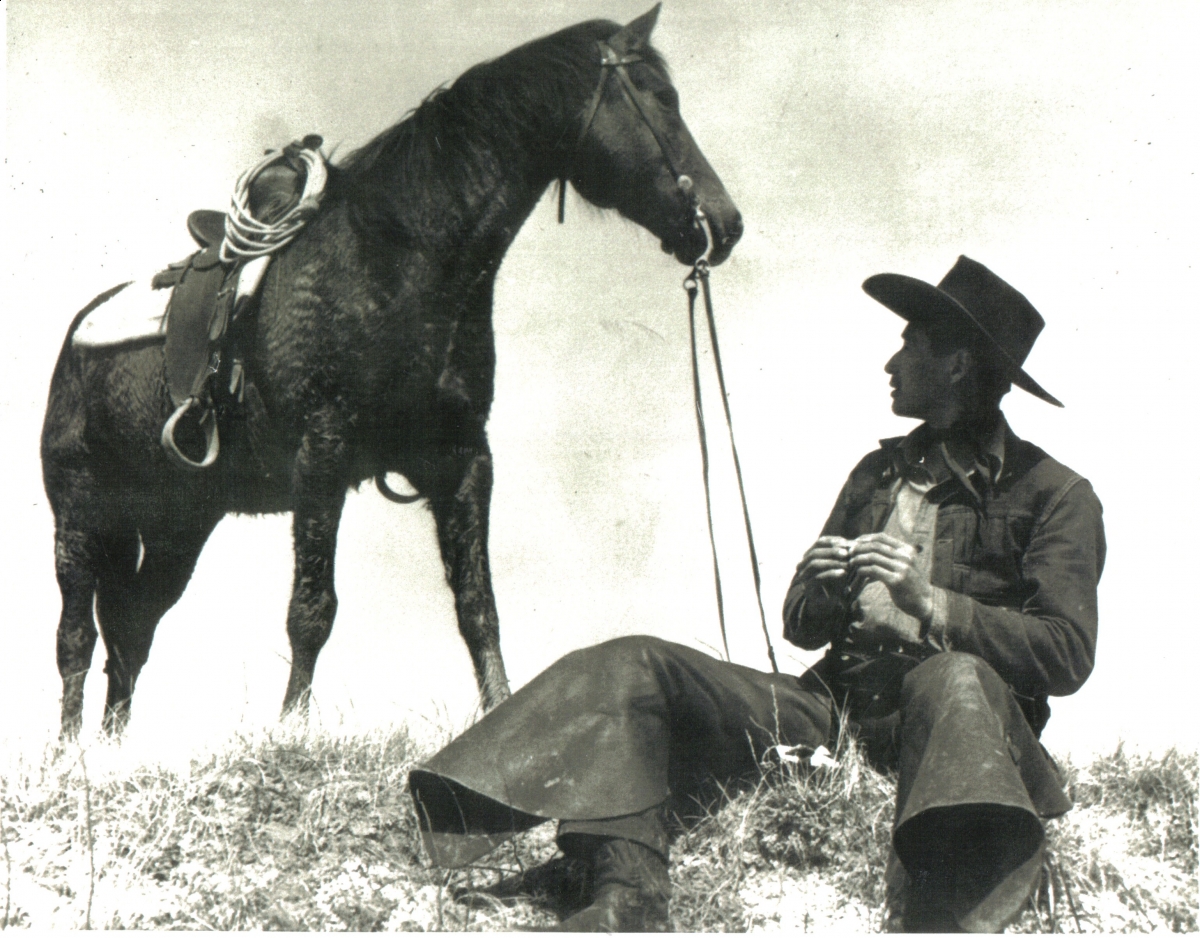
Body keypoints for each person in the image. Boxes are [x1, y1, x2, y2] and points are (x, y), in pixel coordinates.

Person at [407, 256, 1105, 932]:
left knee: (951, 675)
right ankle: (628, 897)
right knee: (637, 661)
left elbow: (1066, 655)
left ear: (957, 365)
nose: (891, 364)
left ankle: (945, 915)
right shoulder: (878, 471)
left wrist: (932, 605)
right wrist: (822, 585)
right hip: (833, 719)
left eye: (909, 345)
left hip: (957, 734)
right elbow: (801, 626)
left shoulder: (1056, 495)